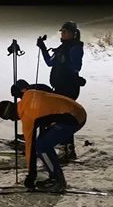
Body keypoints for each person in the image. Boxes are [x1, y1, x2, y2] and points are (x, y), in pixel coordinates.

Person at [0, 83, 87, 192]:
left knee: (42, 146)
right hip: (77, 108)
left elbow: (30, 148)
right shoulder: (28, 94)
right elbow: (42, 88)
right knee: (43, 141)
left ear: (10, 117)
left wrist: (31, 176)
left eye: (10, 119)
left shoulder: (29, 119)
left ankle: (57, 180)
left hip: (74, 118)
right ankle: (55, 174)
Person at [36, 21, 84, 162]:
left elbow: (77, 67)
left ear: (73, 34)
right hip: (59, 88)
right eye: (62, 31)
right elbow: (49, 62)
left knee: (66, 118)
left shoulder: (75, 47)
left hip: (69, 88)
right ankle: (65, 147)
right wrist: (42, 47)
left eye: (65, 32)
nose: (62, 34)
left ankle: (67, 149)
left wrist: (65, 62)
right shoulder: (62, 47)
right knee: (60, 117)